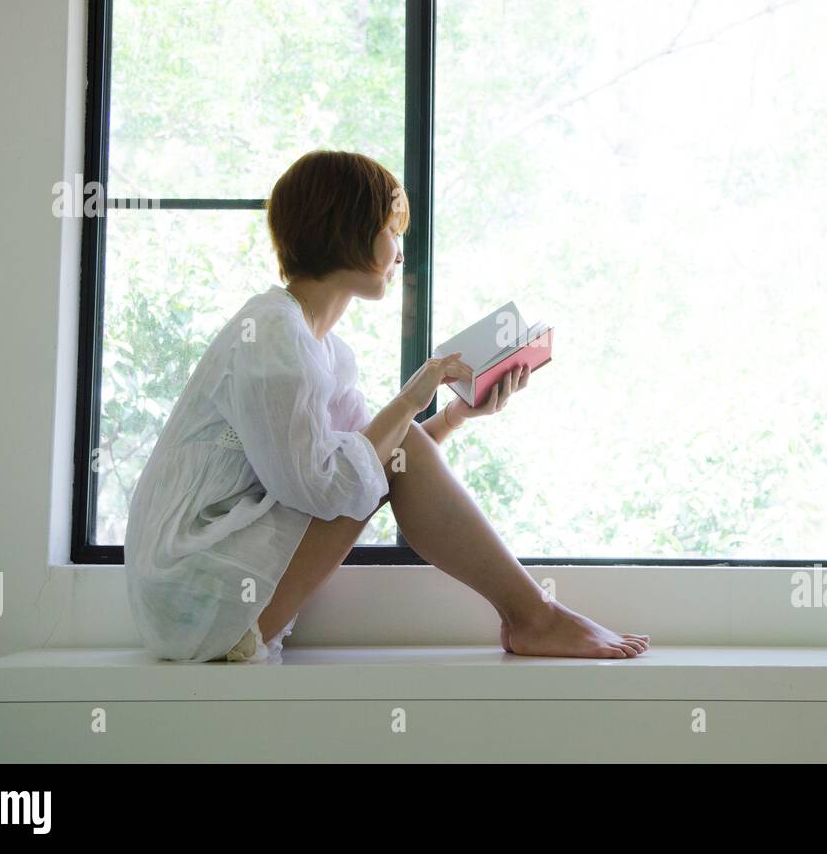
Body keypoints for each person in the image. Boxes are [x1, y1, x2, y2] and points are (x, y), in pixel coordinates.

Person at [123, 149, 650, 663]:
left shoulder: (320, 346)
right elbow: (326, 487)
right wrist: (411, 398)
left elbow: (387, 462)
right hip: (195, 595)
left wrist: (452, 417)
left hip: (217, 588)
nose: (400, 251)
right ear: (346, 230)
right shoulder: (271, 333)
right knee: (370, 458)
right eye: (391, 230)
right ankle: (535, 617)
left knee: (390, 448)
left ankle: (534, 616)